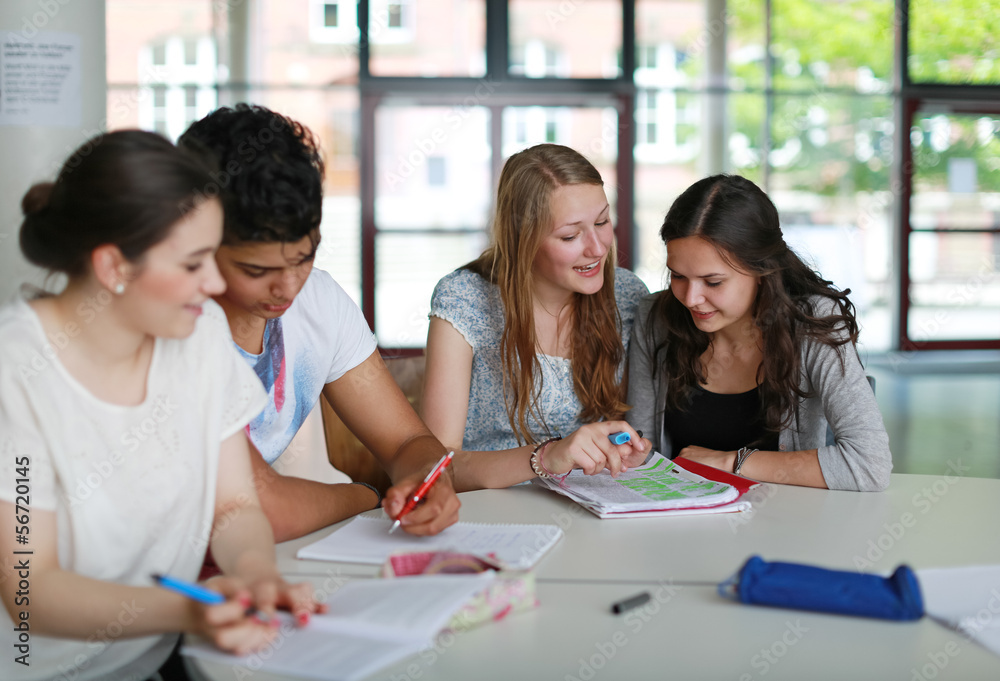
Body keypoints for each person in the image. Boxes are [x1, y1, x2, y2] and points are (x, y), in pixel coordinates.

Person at [0, 130, 323, 681]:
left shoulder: (201, 337)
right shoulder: (16, 371)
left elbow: (234, 507)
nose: (216, 282)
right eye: (194, 263)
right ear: (114, 268)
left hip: (155, 662)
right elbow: (31, 591)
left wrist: (254, 574)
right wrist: (191, 610)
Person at [178, 104, 460, 541]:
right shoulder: (175, 325)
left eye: (304, 257)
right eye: (257, 271)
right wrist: (367, 496)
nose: (288, 287)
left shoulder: (319, 300)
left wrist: (429, 482)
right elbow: (261, 510)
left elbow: (405, 442)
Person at [626, 174, 892, 491]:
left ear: (762, 270)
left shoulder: (814, 322)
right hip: (684, 522)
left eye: (713, 282)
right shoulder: (655, 317)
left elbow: (870, 464)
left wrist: (731, 462)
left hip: (787, 525)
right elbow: (644, 455)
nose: (690, 298)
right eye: (678, 276)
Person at [422, 143, 650, 491]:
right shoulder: (464, 299)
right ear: (522, 240)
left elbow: (631, 429)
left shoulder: (629, 296)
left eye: (603, 221)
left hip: (593, 508)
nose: (599, 248)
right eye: (571, 235)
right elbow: (436, 465)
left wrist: (627, 448)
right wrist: (547, 457)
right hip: (493, 511)